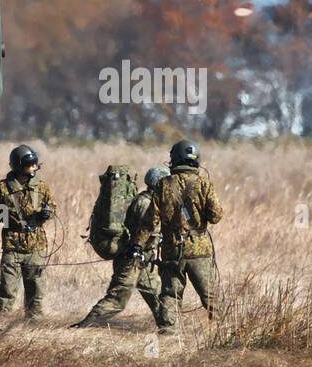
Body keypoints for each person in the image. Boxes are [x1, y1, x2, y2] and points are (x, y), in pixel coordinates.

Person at [131, 140, 223, 334]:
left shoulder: (163, 185)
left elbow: (150, 221)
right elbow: (216, 216)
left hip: (173, 250)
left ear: (174, 159)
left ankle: (168, 335)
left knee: (170, 295)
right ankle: (223, 332)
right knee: (211, 296)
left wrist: (138, 245)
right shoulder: (204, 184)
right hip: (200, 250)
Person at [72, 166, 168, 330]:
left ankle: (169, 329)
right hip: (131, 260)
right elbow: (148, 230)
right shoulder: (145, 203)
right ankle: (84, 327)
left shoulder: (149, 201)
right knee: (117, 299)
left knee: (158, 297)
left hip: (143, 260)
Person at [0, 144, 54, 319]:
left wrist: (47, 213)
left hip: (36, 247)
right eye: (30, 164)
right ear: (19, 166)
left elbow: (52, 206)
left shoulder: (41, 186)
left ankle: (34, 329)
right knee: (7, 289)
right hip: (12, 246)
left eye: (35, 164)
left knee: (36, 290)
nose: (35, 167)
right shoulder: (4, 188)